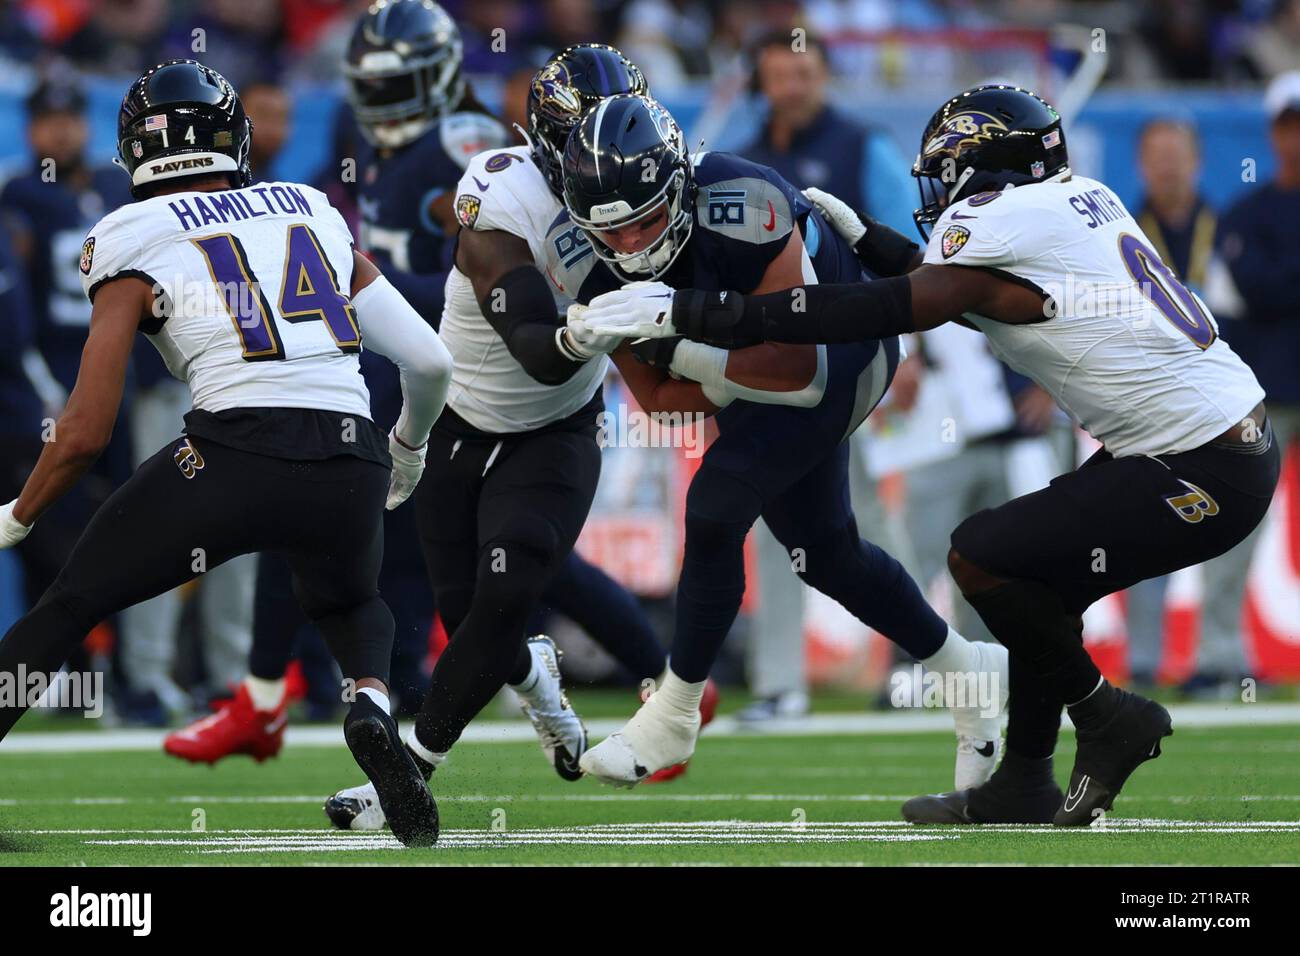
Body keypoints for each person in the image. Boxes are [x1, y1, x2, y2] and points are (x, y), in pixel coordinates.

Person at [588, 85, 1279, 825]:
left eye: (945, 171)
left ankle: (1106, 713)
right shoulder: (1077, 201)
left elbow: (896, 306)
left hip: (1200, 461)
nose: (939, 190)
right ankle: (1022, 783)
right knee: (1041, 581)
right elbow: (969, 292)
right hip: (1216, 439)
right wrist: (871, 242)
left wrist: (688, 312)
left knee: (981, 557)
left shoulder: (999, 221)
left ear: (982, 170)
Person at [0, 59, 453, 847]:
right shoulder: (310, 206)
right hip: (351, 453)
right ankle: (372, 705)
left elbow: (83, 431)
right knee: (351, 602)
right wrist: (406, 449)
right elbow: (431, 360)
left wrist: (17, 514)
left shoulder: (130, 231)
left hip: (232, 456)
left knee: (73, 601)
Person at [557, 93, 1009, 791]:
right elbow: (659, 403)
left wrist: (674, 332)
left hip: (840, 354)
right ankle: (966, 671)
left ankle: (675, 710)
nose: (629, 248)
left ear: (677, 189)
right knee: (828, 555)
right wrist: (660, 344)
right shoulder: (583, 260)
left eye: (644, 222)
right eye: (608, 234)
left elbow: (799, 375)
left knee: (714, 509)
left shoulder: (744, 205)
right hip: (747, 374)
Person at [322, 42, 707, 836]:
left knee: (504, 600)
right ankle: (543, 686)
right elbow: (534, 343)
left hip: (556, 431)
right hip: (462, 421)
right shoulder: (500, 191)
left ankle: (404, 772)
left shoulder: (655, 181)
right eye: (581, 143)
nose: (604, 162)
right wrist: (596, 325)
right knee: (477, 627)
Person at [1192, 74, 1300, 697]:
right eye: (1289, 124)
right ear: (1274, 130)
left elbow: (1267, 286)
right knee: (1237, 524)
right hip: (1262, 394)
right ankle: (1218, 654)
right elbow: (1247, 295)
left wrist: (1279, 283)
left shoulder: (1244, 219)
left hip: (1272, 376)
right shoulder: (1244, 213)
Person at [1125, 117, 1218, 688]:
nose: (1167, 164)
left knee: (1222, 532)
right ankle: (1141, 662)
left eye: (1176, 152)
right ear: (1140, 163)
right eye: (1156, 153)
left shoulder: (1223, 225)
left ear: (1197, 159)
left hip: (1215, 401)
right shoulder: (1120, 231)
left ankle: (1215, 661)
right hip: (1144, 402)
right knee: (1138, 532)